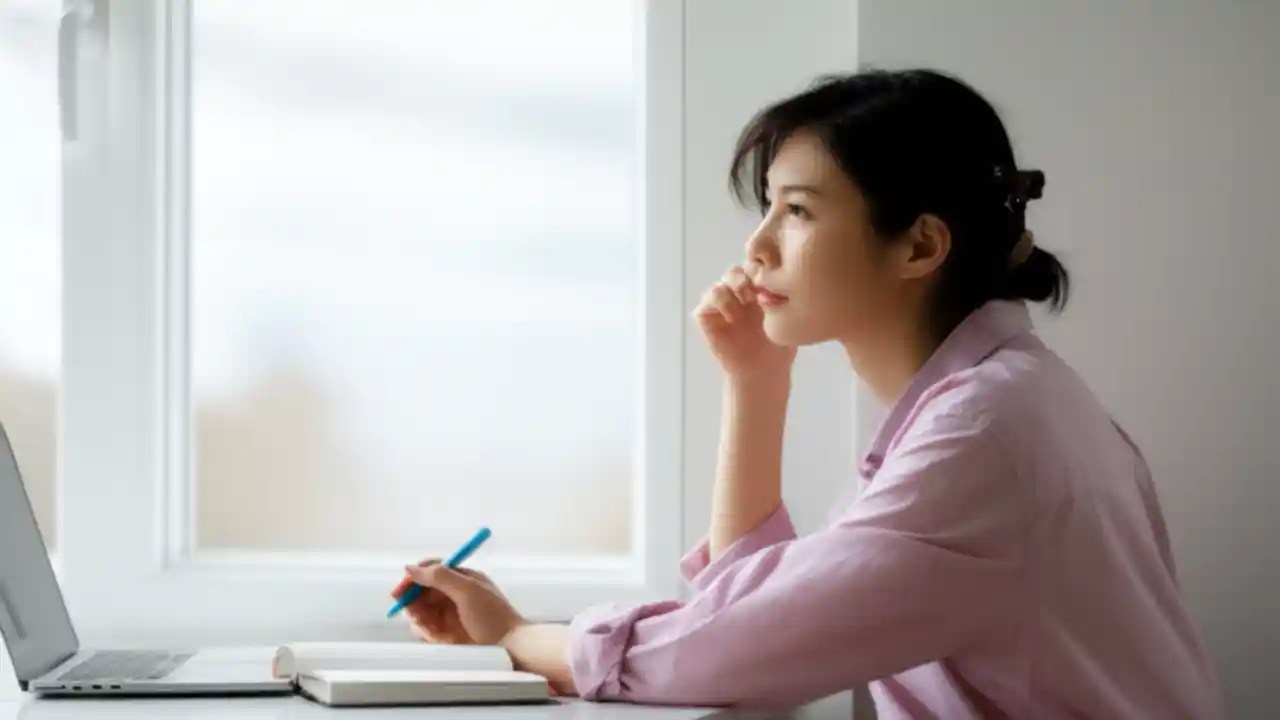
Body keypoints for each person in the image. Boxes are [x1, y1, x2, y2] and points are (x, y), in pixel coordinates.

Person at [389, 69, 1223, 717]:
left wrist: (514, 637)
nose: (756, 245)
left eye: (795, 211)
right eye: (767, 209)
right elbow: (755, 617)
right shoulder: (991, 403)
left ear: (920, 245)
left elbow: (726, 651)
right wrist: (756, 384)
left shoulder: (984, 435)